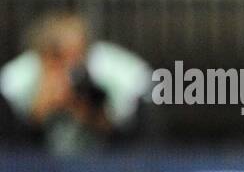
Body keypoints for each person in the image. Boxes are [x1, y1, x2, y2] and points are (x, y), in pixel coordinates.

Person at [0, 12, 151, 154]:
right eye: (59, 58)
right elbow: (13, 142)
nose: (70, 66)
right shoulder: (20, 77)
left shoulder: (111, 70)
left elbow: (127, 126)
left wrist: (89, 112)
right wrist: (41, 108)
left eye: (77, 55)